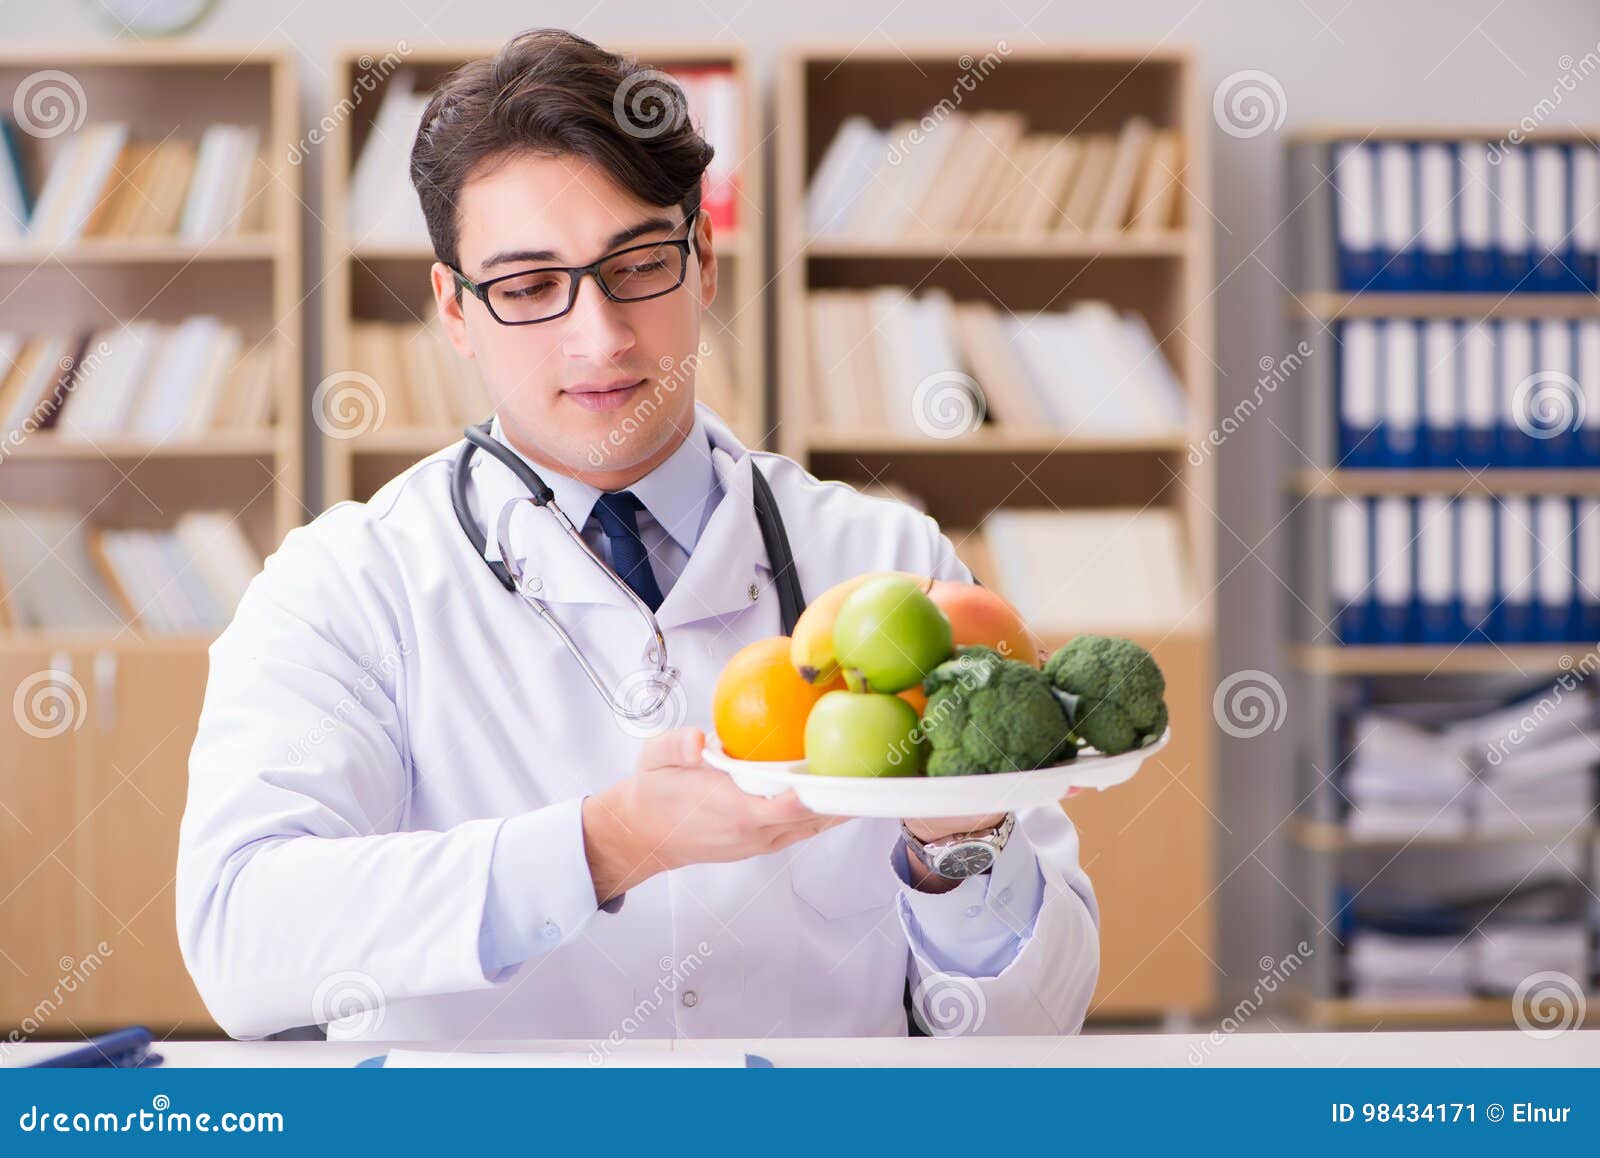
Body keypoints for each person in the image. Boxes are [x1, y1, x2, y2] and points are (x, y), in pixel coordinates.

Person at [176, 27, 1099, 1042]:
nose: (601, 336)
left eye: (640, 263)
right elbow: (240, 940)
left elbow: (1033, 1027)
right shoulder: (346, 584)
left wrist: (957, 848)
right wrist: (602, 845)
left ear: (702, 264)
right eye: (529, 287)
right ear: (455, 309)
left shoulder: (895, 571)